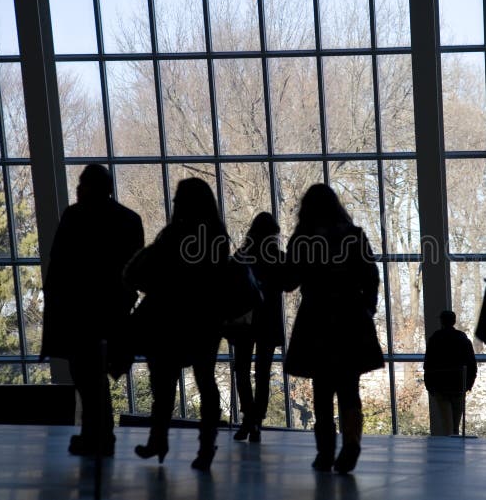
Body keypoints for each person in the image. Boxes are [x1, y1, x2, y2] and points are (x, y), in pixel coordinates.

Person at [123, 178, 228, 470]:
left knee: (164, 384)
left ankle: (159, 439)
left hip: (167, 320)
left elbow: (141, 272)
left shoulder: (172, 235)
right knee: (206, 380)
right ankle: (206, 445)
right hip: (206, 319)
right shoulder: (217, 235)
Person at [40, 164, 144, 457]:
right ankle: (99, 435)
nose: (77, 189)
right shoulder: (129, 220)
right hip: (112, 313)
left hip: (78, 313)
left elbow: (59, 264)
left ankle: (95, 434)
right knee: (96, 374)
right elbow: (132, 270)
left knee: (86, 376)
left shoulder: (74, 217)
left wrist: (56, 301)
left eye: (81, 185)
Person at [283, 183, 384, 474]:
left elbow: (290, 281)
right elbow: (370, 276)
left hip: (316, 319)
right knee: (349, 387)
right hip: (351, 318)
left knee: (322, 388)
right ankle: (351, 443)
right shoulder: (354, 236)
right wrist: (367, 307)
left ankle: (325, 451)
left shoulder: (304, 239)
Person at [229, 212, 287, 443]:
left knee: (242, 370)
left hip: (244, 321)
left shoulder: (241, 256)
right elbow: (289, 284)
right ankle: (256, 421)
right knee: (262, 373)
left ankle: (248, 417)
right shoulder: (278, 258)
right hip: (268, 321)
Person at [423, 310, 477, 436]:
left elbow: (428, 364)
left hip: (440, 386)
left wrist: (430, 386)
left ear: (441, 321)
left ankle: (451, 445)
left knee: (447, 424)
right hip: (459, 385)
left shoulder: (435, 339)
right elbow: (472, 365)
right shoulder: (463, 340)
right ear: (454, 321)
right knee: (455, 424)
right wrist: (468, 384)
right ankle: (455, 446)